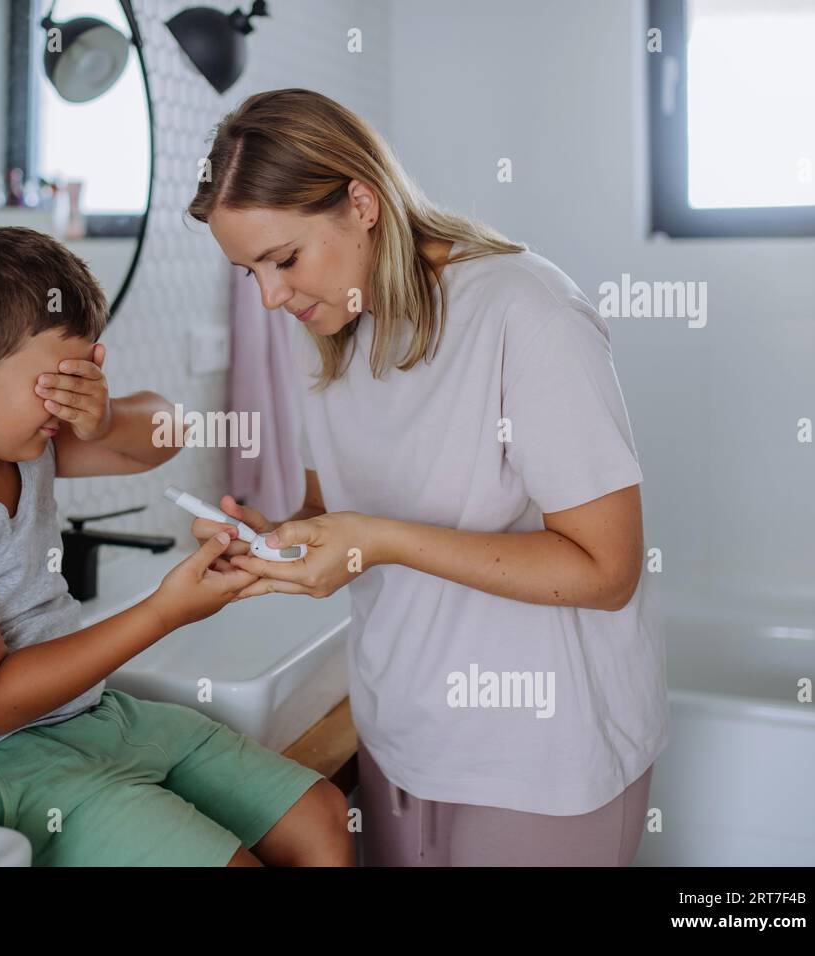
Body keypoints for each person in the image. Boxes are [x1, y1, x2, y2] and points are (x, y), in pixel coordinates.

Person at [186, 89, 666, 866]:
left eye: (284, 260)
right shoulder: (330, 328)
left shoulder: (525, 311)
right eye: (250, 274)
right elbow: (329, 509)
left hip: (539, 757)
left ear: (362, 203)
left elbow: (607, 570)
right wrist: (272, 541)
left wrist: (379, 541)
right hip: (402, 733)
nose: (271, 297)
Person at [0, 225, 354, 866]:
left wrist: (103, 418)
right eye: (56, 381)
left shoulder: (22, 443)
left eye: (82, 376)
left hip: (84, 718)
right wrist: (166, 610)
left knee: (324, 817)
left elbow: (169, 431)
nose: (67, 401)